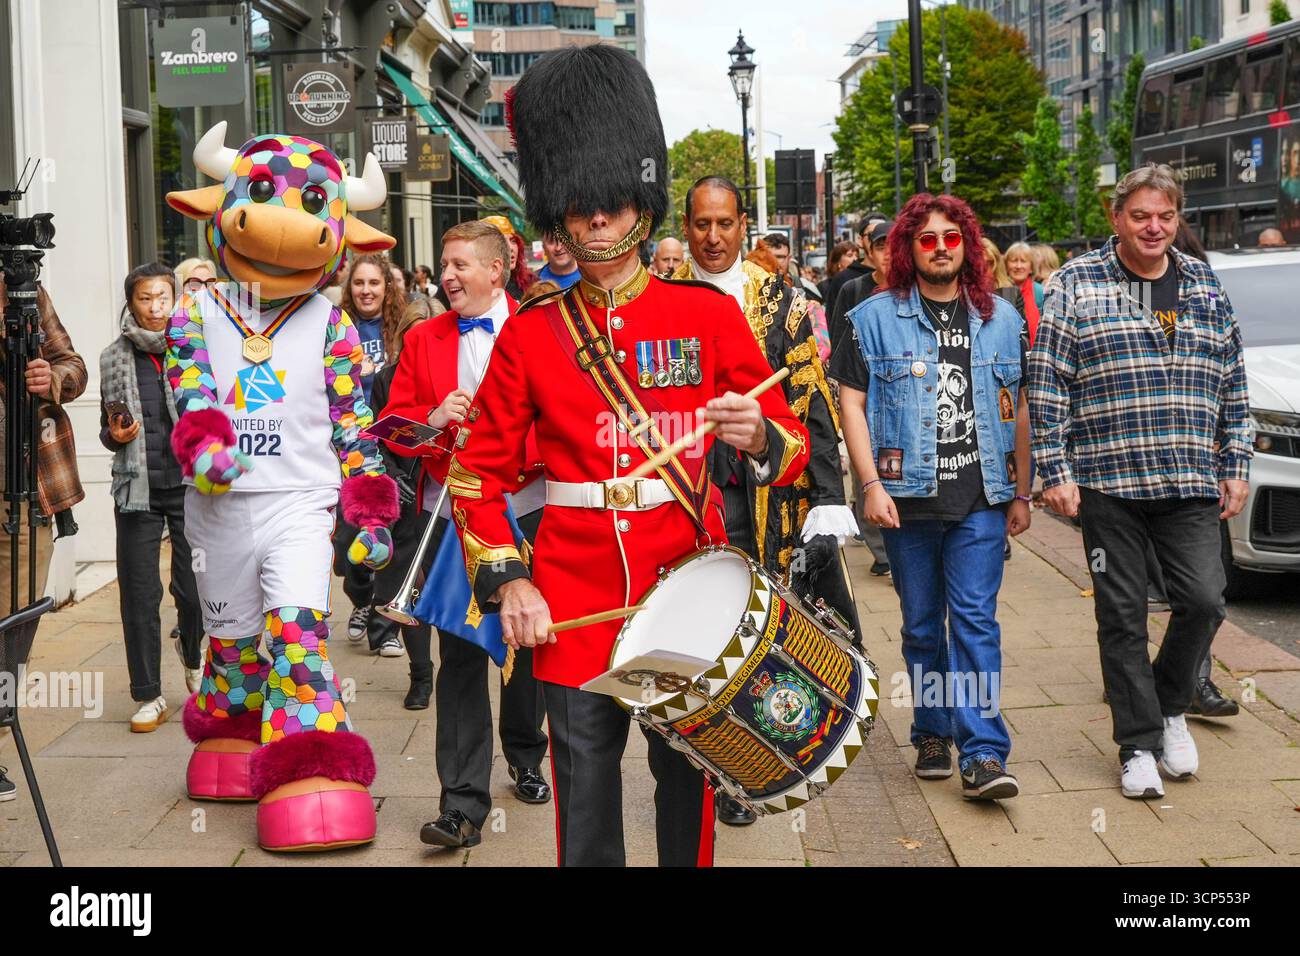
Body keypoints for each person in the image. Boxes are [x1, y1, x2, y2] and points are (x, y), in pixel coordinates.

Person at [448, 45, 810, 867]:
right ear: (559, 216)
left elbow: (792, 444)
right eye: (579, 206)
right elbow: (477, 476)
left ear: (639, 204)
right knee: (583, 792)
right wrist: (510, 579)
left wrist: (756, 438)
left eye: (611, 201)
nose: (597, 219)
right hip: (572, 598)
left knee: (688, 787)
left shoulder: (708, 318)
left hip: (687, 584)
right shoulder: (533, 335)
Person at [162, 122, 400, 849]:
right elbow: (190, 390)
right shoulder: (194, 312)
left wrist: (367, 503)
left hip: (301, 500)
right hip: (219, 507)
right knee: (231, 640)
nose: (282, 219)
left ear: (339, 227)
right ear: (222, 205)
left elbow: (351, 415)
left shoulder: (332, 321)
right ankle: (233, 733)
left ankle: (310, 766)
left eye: (311, 203)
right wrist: (204, 446)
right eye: (262, 194)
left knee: (297, 633)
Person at [1026, 163, 1251, 800]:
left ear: (1177, 220)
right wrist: (1056, 470)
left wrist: (1235, 464)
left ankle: (1170, 704)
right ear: (1116, 218)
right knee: (1122, 615)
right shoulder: (1078, 283)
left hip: (1187, 477)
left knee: (1205, 601)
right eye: (1140, 215)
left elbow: (1234, 378)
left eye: (1166, 216)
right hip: (1108, 479)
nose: (1154, 227)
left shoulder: (1202, 282)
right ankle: (1136, 746)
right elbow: (1047, 382)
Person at [831, 192, 1031, 802]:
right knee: (921, 627)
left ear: (967, 245)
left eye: (951, 237)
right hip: (906, 497)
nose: (941, 247)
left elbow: (1019, 407)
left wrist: (1022, 490)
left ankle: (983, 752)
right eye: (928, 238)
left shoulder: (1003, 318)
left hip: (981, 499)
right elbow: (852, 403)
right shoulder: (872, 317)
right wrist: (869, 485)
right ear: (908, 249)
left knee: (974, 621)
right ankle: (932, 730)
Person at [676, 175, 860, 827]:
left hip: (761, 489)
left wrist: (830, 497)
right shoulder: (659, 297)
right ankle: (693, 754)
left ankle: (746, 766)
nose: (714, 236)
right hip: (684, 488)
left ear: (743, 223)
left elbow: (811, 396)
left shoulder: (779, 299)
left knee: (753, 623)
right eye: (702, 224)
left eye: (726, 223)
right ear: (687, 225)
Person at [380, 220, 551, 849]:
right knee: (460, 652)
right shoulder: (423, 338)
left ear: (496, 269)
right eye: (444, 266)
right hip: (453, 515)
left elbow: (562, 420)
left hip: (529, 505)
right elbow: (392, 429)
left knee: (530, 644)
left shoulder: (539, 328)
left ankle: (528, 756)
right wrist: (431, 418)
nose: (446, 276)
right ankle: (460, 805)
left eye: (458, 265)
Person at [99, 263, 204, 731]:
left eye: (163, 297)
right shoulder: (112, 357)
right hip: (137, 490)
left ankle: (194, 649)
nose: (156, 307)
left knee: (195, 587)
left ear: (175, 299)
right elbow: (110, 429)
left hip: (189, 486)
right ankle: (148, 695)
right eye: (146, 298)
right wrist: (114, 434)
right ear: (131, 302)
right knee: (139, 595)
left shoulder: (194, 349)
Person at [0, 274, 88, 804]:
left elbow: (72, 365)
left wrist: (49, 379)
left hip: (28, 491)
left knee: (14, 627)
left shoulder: (22, 290)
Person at [367, 295, 444, 710]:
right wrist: (395, 476)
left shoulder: (454, 374)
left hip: (442, 491)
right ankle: (420, 674)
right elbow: (378, 434)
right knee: (409, 587)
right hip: (405, 497)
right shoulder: (387, 377)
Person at [335, 253, 404, 656]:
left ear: (386, 287)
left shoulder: (399, 329)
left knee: (387, 534)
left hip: (389, 445)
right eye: (359, 283)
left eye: (374, 283)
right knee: (348, 545)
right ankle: (361, 600)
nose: (366, 291)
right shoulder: (338, 327)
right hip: (348, 446)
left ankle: (384, 626)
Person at [827, 218, 894, 576]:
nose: (886, 254)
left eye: (892, 245)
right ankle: (883, 554)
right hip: (862, 397)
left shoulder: (912, 289)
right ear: (869, 250)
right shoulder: (853, 289)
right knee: (865, 469)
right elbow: (839, 339)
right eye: (880, 246)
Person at [1004, 241, 1042, 344]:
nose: (1018, 266)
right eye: (1014, 261)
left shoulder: (1040, 291)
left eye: (1023, 261)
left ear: (1031, 267)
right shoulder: (999, 291)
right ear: (1006, 265)